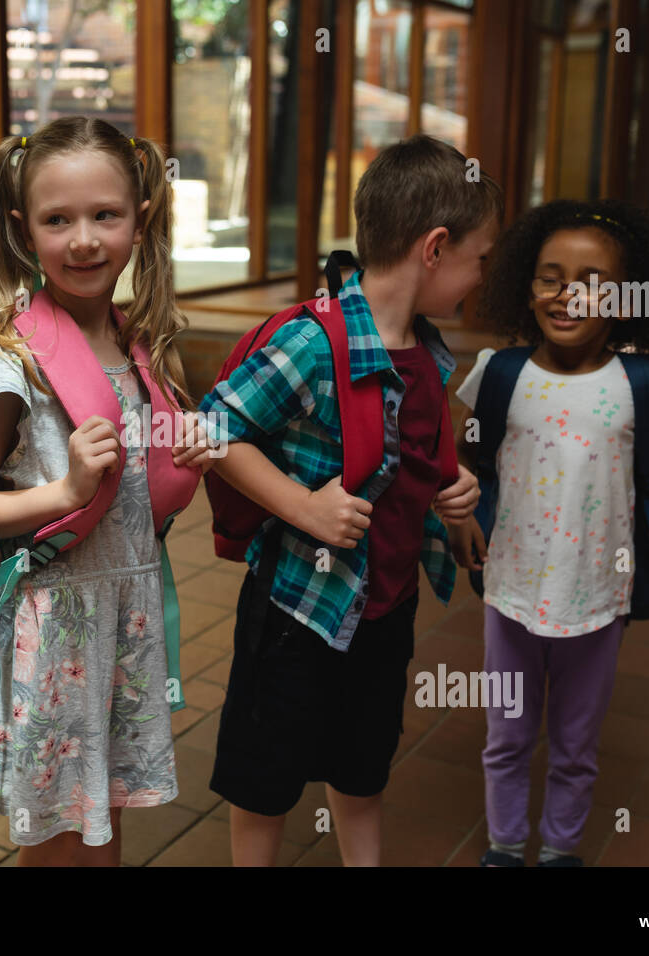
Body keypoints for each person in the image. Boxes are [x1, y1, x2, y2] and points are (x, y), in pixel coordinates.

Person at [199, 134, 497, 866]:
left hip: (384, 611)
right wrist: (302, 508)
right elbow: (209, 427)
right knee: (265, 781)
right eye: (478, 259)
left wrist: (449, 499)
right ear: (434, 248)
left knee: (363, 769)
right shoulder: (314, 342)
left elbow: (410, 462)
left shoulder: (426, 351)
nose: (480, 278)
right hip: (296, 611)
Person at [0, 116, 211, 865]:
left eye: (106, 214)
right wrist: (62, 488)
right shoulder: (10, 360)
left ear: (142, 220)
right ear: (22, 230)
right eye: (57, 220)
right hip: (54, 628)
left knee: (106, 817)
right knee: (58, 833)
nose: (84, 238)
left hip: (128, 620)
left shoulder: (144, 344)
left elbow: (143, 490)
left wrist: (186, 452)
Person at [451, 198, 649, 867]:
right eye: (549, 275)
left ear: (625, 298)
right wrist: (455, 519)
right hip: (510, 588)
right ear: (524, 284)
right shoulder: (498, 374)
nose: (568, 295)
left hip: (598, 594)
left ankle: (561, 850)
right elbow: (458, 460)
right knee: (506, 735)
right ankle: (507, 844)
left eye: (592, 282)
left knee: (574, 742)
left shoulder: (642, 379)